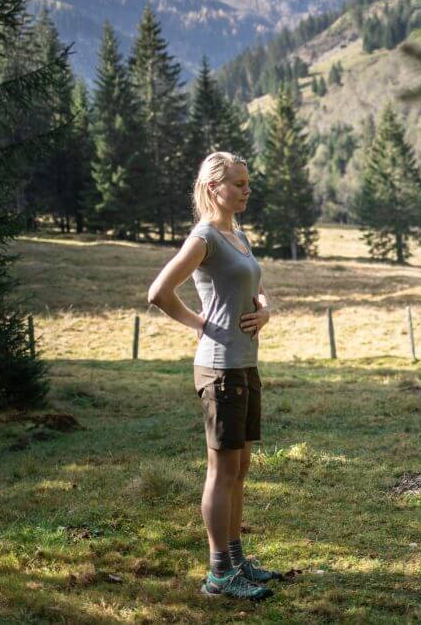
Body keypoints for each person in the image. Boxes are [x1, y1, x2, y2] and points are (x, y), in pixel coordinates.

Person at [147, 152, 283, 601]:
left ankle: (238, 559)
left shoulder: (237, 234)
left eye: (248, 183)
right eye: (239, 184)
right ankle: (219, 572)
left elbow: (256, 288)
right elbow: (159, 292)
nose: (247, 190)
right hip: (219, 368)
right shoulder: (204, 237)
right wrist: (198, 322)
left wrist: (265, 312)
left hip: (245, 364)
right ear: (213, 188)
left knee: (240, 468)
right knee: (222, 471)